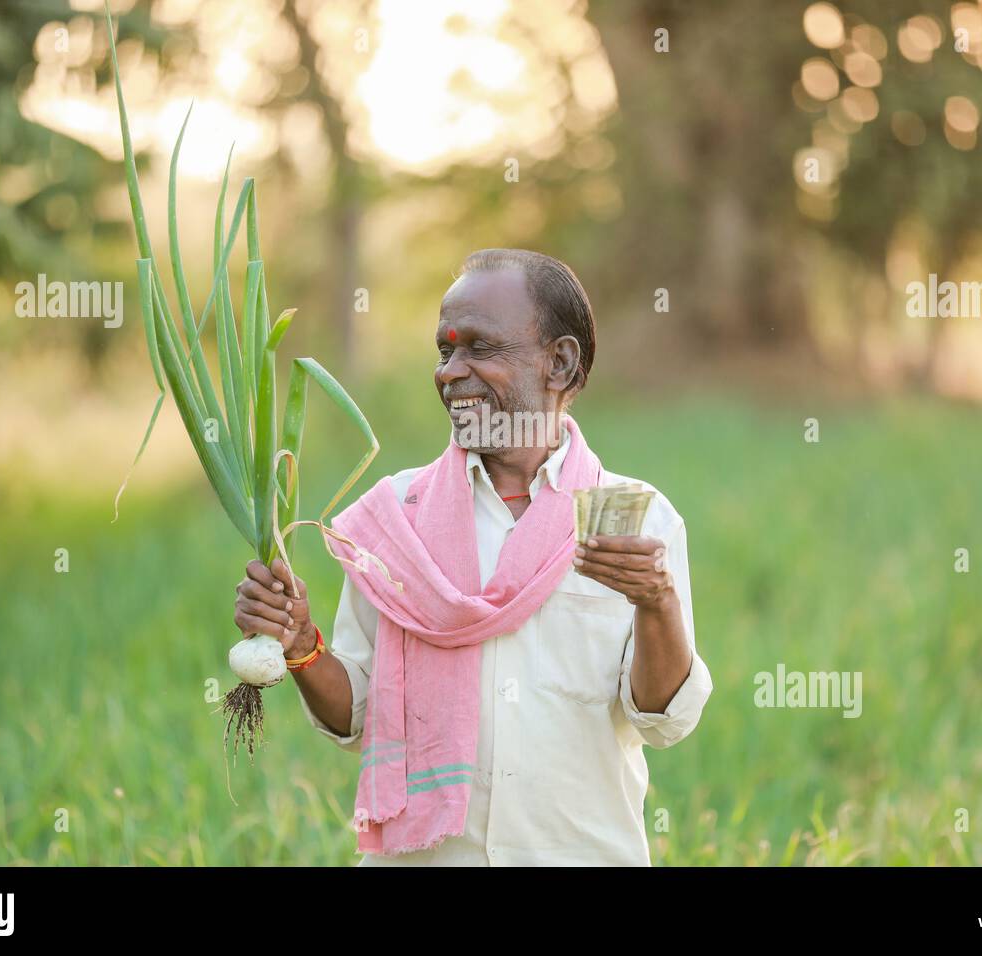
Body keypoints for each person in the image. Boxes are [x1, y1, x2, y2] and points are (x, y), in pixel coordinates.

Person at [232, 248, 713, 865]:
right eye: (444, 351)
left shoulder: (631, 515)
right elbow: (357, 716)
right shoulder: (396, 518)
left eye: (480, 349)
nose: (449, 373)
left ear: (559, 364)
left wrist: (657, 603)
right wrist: (300, 643)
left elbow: (660, 720)